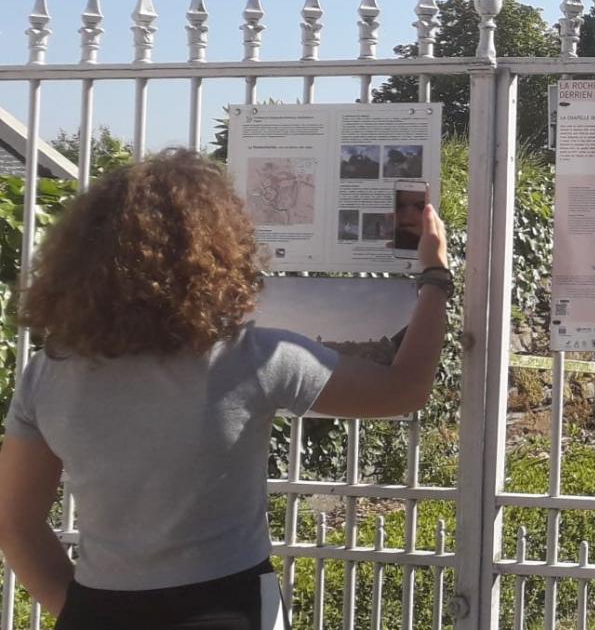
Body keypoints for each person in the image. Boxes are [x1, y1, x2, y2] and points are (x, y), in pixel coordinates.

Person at [0, 149, 455, 628]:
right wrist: (435, 276)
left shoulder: (48, 373)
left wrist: (80, 611)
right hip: (230, 608)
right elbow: (403, 388)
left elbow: (15, 524)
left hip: (99, 609)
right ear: (217, 250)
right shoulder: (254, 358)